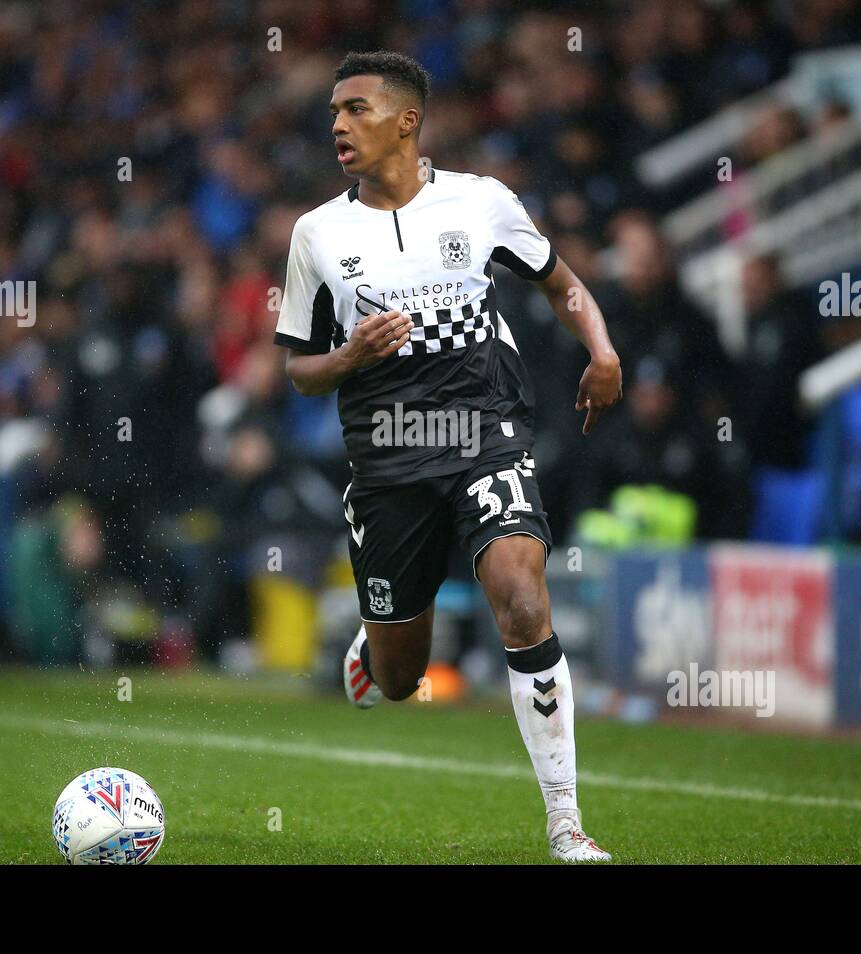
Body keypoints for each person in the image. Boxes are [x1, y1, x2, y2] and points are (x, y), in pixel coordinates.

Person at [274, 51, 621, 862]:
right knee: (401, 677)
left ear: (407, 120)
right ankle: (374, 645)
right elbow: (298, 370)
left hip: (483, 432)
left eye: (355, 109)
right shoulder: (317, 234)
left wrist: (601, 351)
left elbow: (561, 283)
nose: (337, 125)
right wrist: (351, 355)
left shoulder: (482, 202)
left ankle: (566, 824)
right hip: (388, 460)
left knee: (522, 598)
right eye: (333, 111)